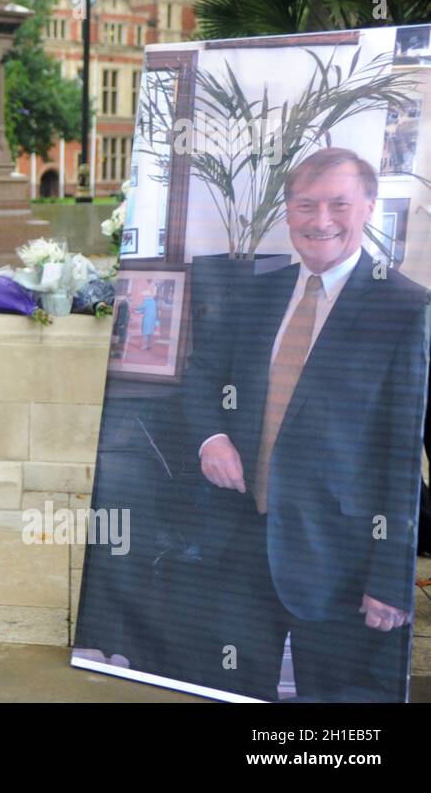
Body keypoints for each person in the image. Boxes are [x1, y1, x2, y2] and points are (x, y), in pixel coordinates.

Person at [184, 148, 426, 702]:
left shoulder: (407, 308)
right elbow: (202, 377)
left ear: (367, 206)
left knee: (330, 712)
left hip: (338, 561)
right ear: (288, 212)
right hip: (239, 542)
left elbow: (401, 454)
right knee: (230, 688)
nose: (322, 220)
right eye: (306, 205)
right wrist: (212, 437)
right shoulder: (256, 293)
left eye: (339, 204)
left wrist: (391, 579)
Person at [139, 284, 159, 351]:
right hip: (153, 319)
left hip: (147, 319)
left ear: (146, 296)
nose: (142, 297)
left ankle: (144, 346)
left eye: (143, 296)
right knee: (150, 333)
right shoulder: (153, 301)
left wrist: (135, 309)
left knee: (145, 333)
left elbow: (141, 308)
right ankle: (149, 345)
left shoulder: (146, 301)